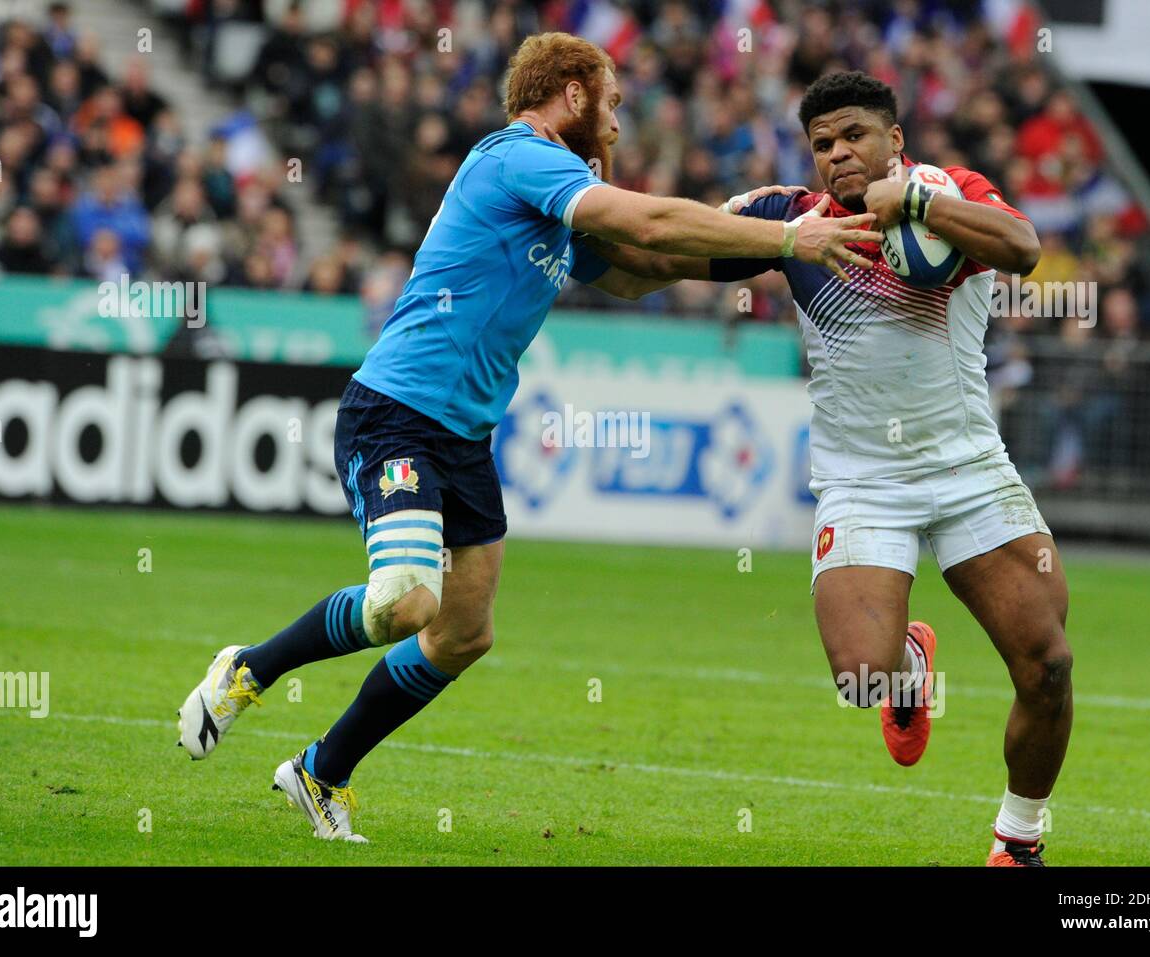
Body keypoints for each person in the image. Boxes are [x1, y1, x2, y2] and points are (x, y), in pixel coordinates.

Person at [176, 32, 880, 842]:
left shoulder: (554, 187)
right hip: (397, 408)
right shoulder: (520, 156)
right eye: (611, 101)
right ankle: (248, 668)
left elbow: (634, 268)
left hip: (464, 433)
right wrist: (790, 239)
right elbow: (644, 219)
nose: (617, 122)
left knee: (463, 632)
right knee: (407, 601)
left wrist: (744, 231)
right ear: (572, 94)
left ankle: (319, 772)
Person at [582, 70, 1069, 866]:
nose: (838, 154)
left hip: (969, 470)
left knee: (1047, 665)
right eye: (822, 144)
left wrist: (914, 205)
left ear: (895, 140)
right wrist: (560, 237)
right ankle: (906, 666)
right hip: (863, 481)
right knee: (861, 680)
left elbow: (1024, 248)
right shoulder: (789, 220)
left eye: (854, 136)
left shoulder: (955, 192)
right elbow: (646, 265)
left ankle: (1018, 839)